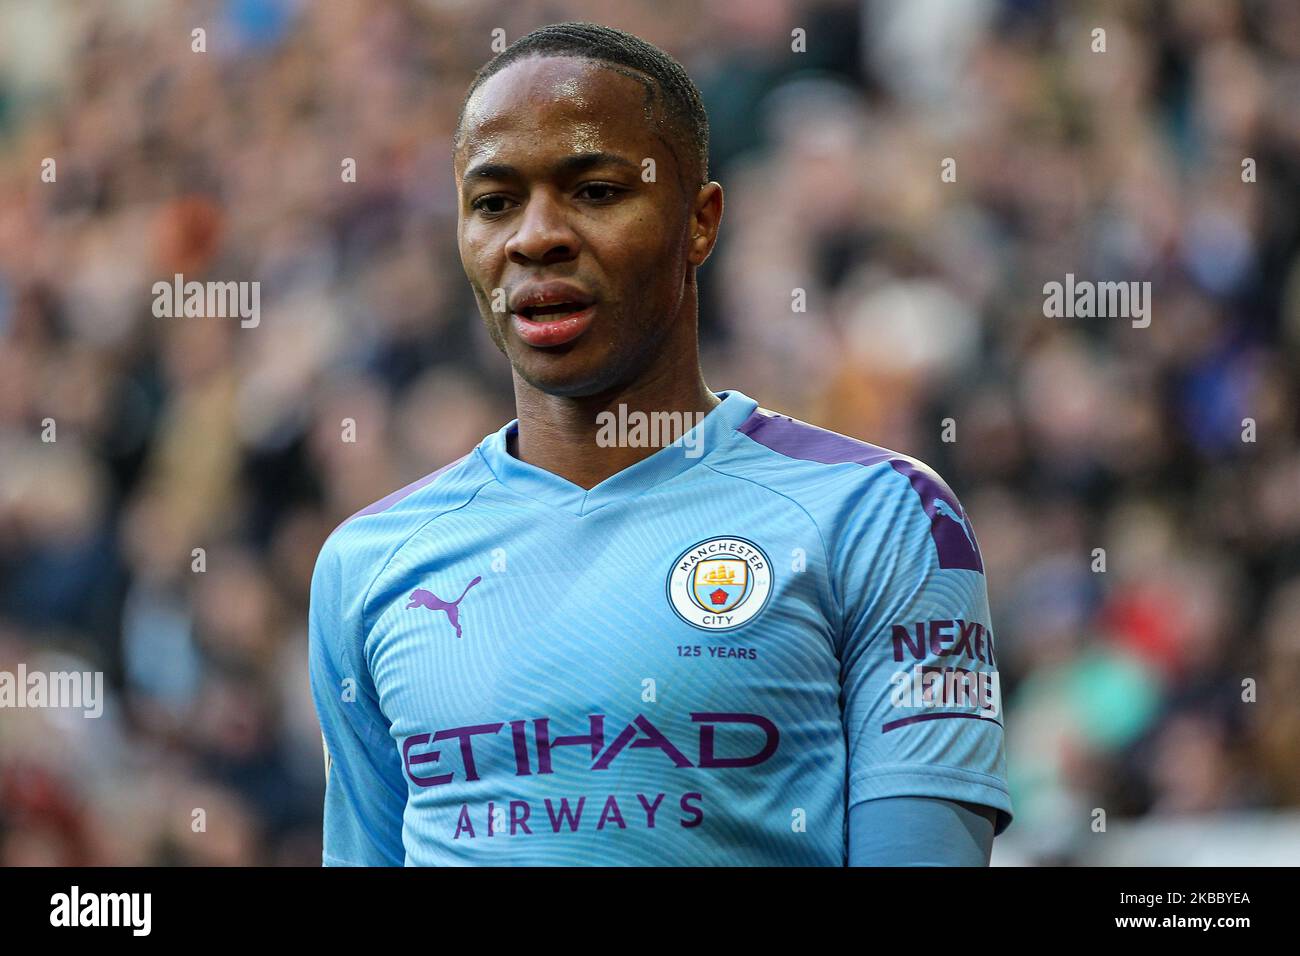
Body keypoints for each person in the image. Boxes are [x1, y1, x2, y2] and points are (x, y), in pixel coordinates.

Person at [309, 21, 1010, 866]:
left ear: (700, 222)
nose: (535, 237)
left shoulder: (882, 518)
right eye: (494, 203)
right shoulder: (369, 566)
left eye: (596, 191)